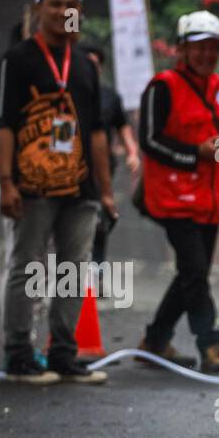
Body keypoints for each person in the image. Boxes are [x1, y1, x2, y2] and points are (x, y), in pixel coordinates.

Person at [0, 0, 113, 384]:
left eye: (71, 4)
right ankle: (18, 354)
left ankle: (63, 354)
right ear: (38, 9)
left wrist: (106, 189)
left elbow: (97, 132)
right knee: (27, 266)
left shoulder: (85, 65)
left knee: (74, 270)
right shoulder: (17, 60)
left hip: (81, 188)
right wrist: (6, 181)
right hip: (33, 185)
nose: (64, 10)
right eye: (55, 3)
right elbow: (5, 126)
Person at [138, 10, 219, 374]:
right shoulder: (162, 86)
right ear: (181, 49)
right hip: (173, 199)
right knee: (194, 270)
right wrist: (194, 153)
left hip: (212, 201)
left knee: (191, 274)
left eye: (214, 48)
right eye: (199, 47)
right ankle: (210, 344)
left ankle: (155, 340)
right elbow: (148, 142)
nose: (207, 55)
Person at [82, 43, 138, 280]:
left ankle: (97, 270)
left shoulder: (109, 97)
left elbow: (122, 127)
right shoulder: (67, 90)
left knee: (102, 218)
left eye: (95, 65)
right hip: (68, 167)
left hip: (102, 168)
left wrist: (132, 152)